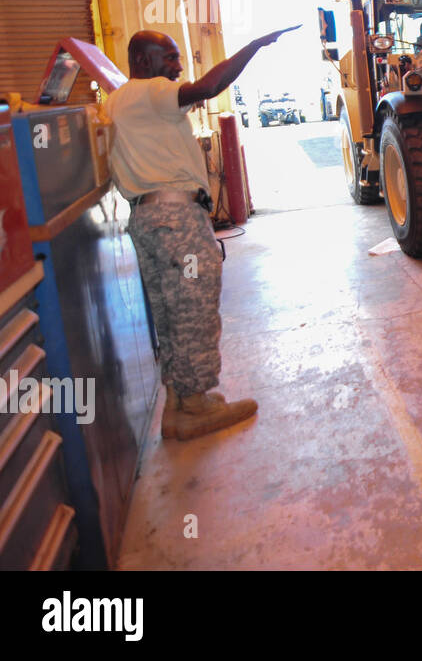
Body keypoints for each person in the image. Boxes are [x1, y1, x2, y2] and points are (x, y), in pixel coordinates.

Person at [107, 25, 299, 440]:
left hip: (147, 221)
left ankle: (178, 404)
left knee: (171, 315)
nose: (177, 67)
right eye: (170, 58)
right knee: (194, 308)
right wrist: (254, 46)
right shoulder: (150, 91)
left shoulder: (119, 101)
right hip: (177, 224)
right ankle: (194, 407)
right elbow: (209, 87)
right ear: (143, 62)